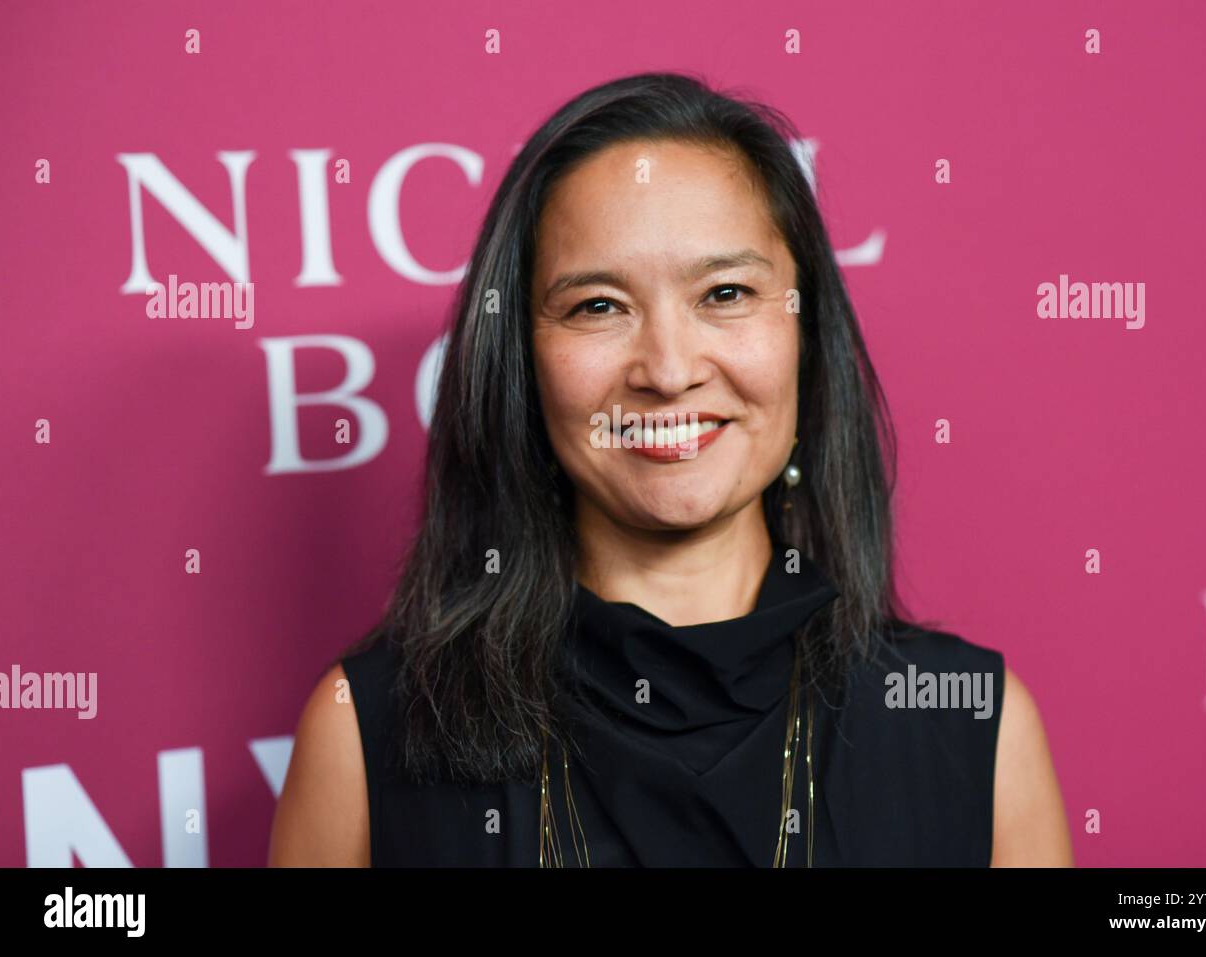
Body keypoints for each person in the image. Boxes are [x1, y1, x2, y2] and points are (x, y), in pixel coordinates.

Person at [268, 71, 1072, 867]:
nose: (669, 367)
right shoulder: (368, 735)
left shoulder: (972, 724)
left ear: (806, 337)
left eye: (725, 292)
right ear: (520, 361)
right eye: (598, 306)